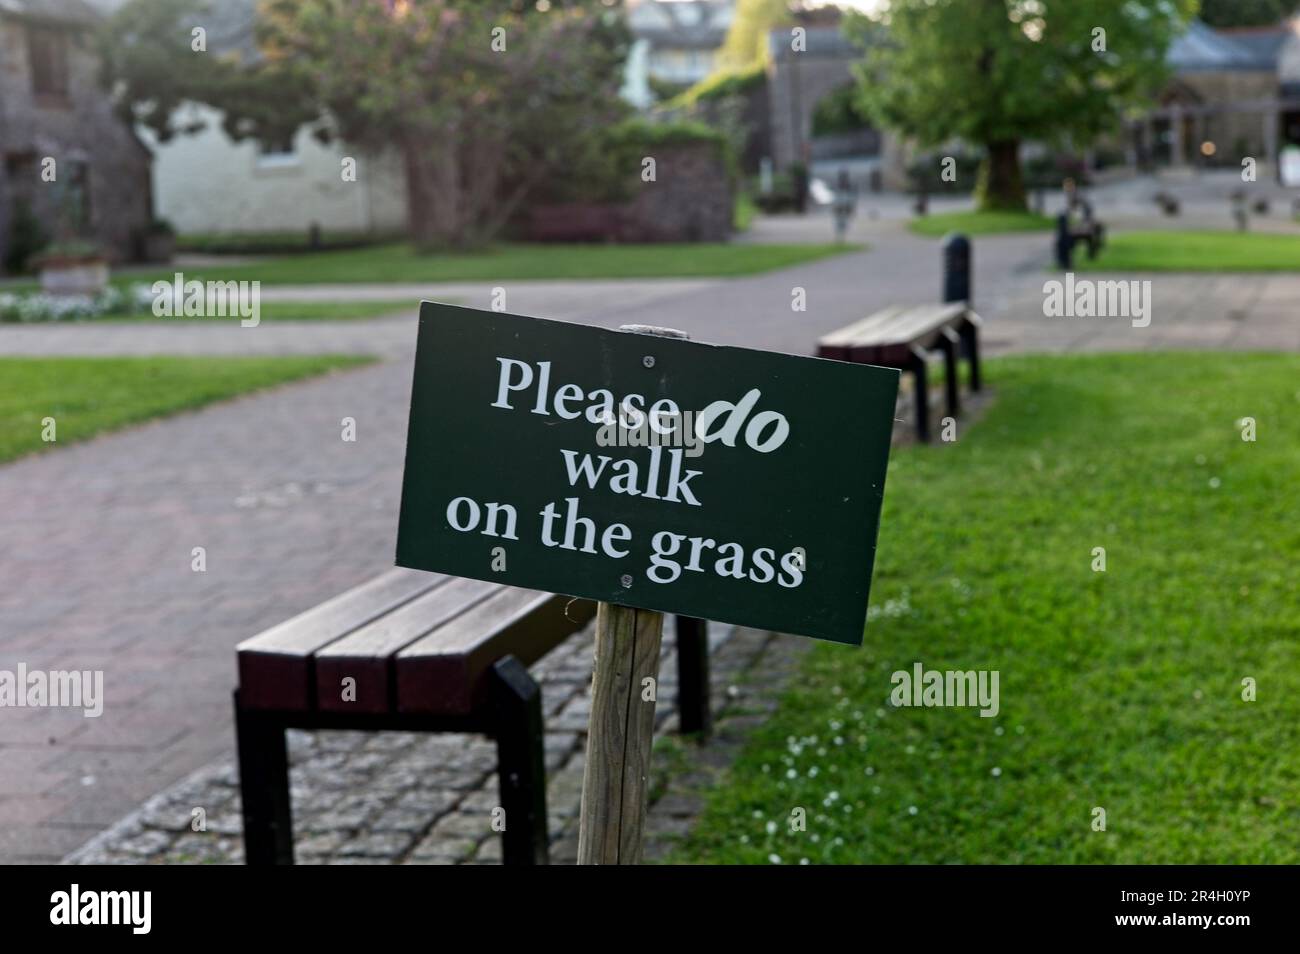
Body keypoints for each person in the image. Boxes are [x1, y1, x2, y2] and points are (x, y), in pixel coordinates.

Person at [831, 168, 857, 241]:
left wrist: (851, 207)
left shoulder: (849, 186)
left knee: (844, 221)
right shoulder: (837, 185)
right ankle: (839, 236)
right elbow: (834, 198)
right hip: (839, 206)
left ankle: (842, 236)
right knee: (839, 221)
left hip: (845, 205)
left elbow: (852, 198)